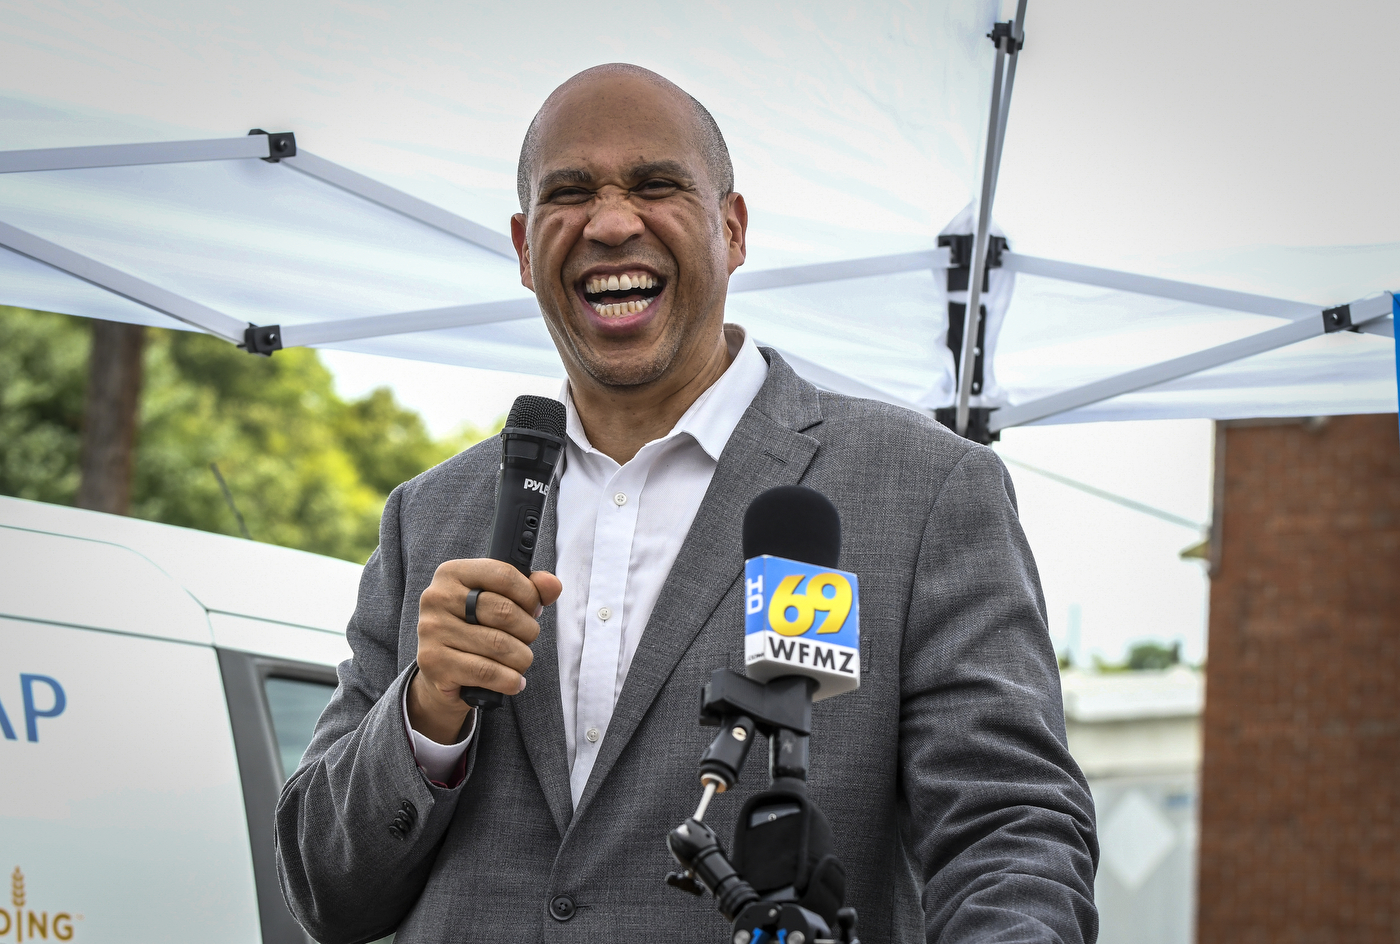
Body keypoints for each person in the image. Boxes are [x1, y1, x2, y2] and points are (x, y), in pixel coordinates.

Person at [275, 63, 1098, 944]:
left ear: (732, 229)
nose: (611, 223)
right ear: (523, 247)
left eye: (656, 185)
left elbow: (1010, 832)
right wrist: (427, 712)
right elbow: (326, 893)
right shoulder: (430, 517)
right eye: (570, 194)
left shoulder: (921, 489)